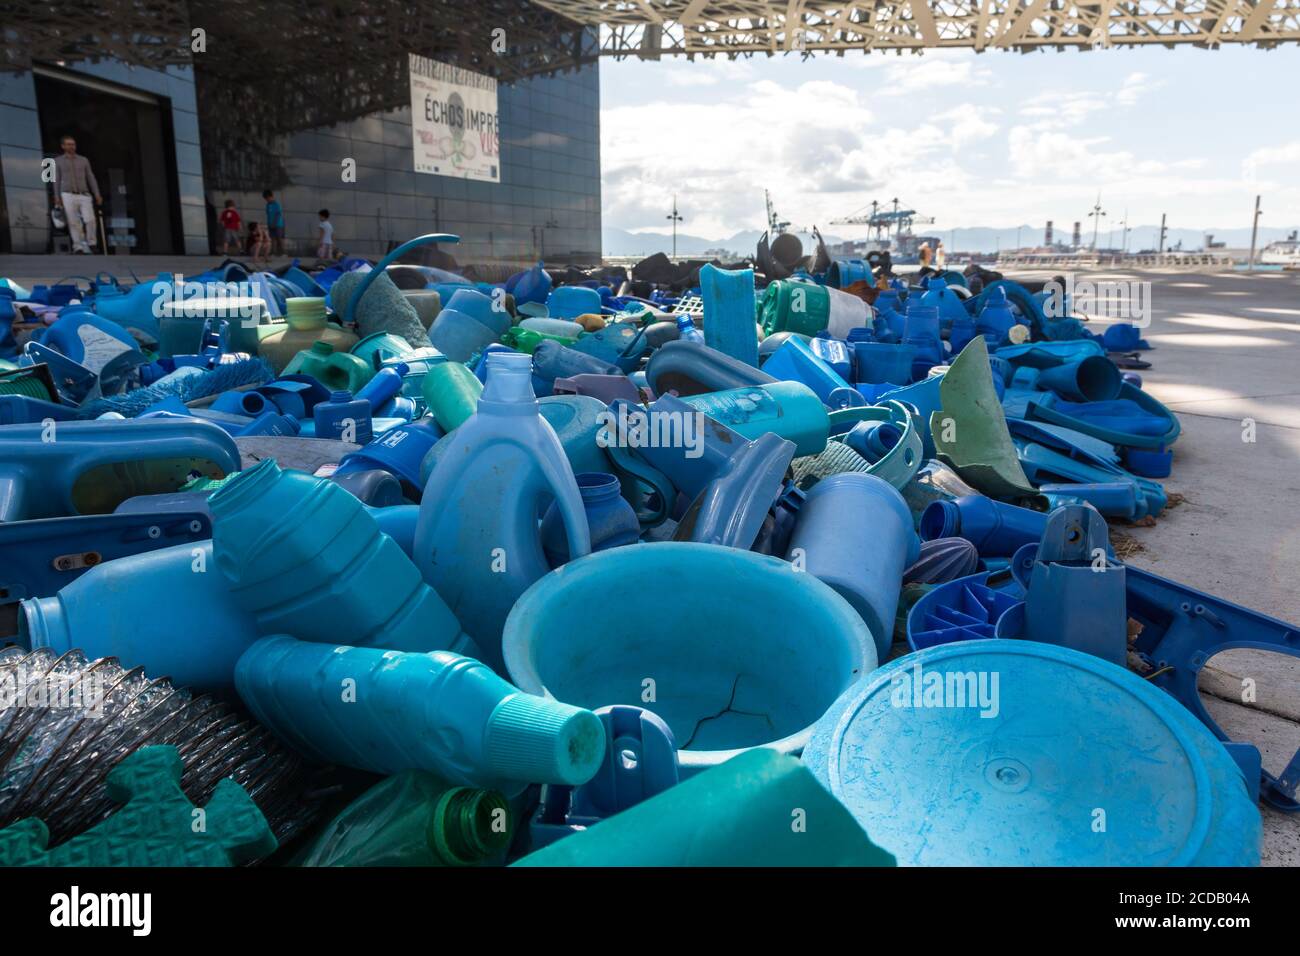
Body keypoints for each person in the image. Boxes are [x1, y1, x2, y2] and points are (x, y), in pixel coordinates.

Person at [52, 134, 102, 255]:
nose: (71, 146)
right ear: (63, 146)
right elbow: (56, 180)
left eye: (73, 144)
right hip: (67, 194)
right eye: (68, 144)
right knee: (73, 222)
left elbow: (90, 177)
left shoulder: (83, 160)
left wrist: (97, 194)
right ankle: (77, 246)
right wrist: (57, 197)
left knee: (90, 219)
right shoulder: (57, 161)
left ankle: (92, 243)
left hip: (84, 194)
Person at [262, 189, 285, 258]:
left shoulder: (277, 204)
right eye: (265, 199)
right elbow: (268, 214)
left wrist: (274, 223)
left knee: (279, 238)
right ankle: (273, 253)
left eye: (267, 198)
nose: (267, 200)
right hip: (270, 224)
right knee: (272, 239)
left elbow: (278, 214)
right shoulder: (268, 205)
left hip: (278, 225)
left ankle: (282, 253)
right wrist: (269, 224)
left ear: (271, 196)